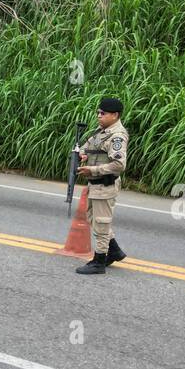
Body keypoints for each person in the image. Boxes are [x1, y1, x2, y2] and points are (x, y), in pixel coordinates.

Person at [73, 97, 130, 275]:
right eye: (98, 112)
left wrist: (93, 169)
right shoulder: (102, 131)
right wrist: (81, 154)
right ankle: (114, 251)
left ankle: (99, 261)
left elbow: (119, 165)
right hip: (95, 184)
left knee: (102, 223)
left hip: (105, 184)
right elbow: (87, 147)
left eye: (103, 113)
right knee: (93, 219)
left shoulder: (117, 136)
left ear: (115, 115)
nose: (99, 115)